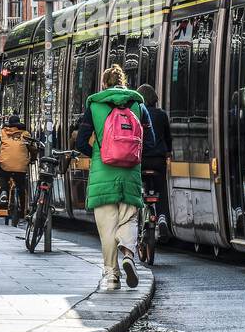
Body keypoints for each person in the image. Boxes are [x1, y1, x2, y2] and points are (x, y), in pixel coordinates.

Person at [74, 64, 147, 290]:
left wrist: (98, 154)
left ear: (103, 84)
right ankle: (128, 256)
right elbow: (150, 141)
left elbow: (80, 141)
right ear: (124, 83)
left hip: (102, 174)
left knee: (107, 228)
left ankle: (111, 275)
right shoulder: (137, 105)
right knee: (129, 220)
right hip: (130, 174)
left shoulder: (94, 106)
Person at [136, 84, 173, 232]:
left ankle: (138, 217)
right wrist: (168, 152)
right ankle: (163, 218)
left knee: (137, 188)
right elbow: (168, 138)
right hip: (158, 160)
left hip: (141, 160)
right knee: (161, 189)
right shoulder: (162, 114)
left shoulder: (137, 114)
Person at [0, 114, 37, 219]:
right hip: (21, 166)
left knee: (2, 174)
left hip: (5, 164)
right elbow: (33, 149)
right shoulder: (25, 134)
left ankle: (4, 191)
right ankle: (22, 211)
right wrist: (33, 159)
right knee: (21, 187)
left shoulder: (3, 133)